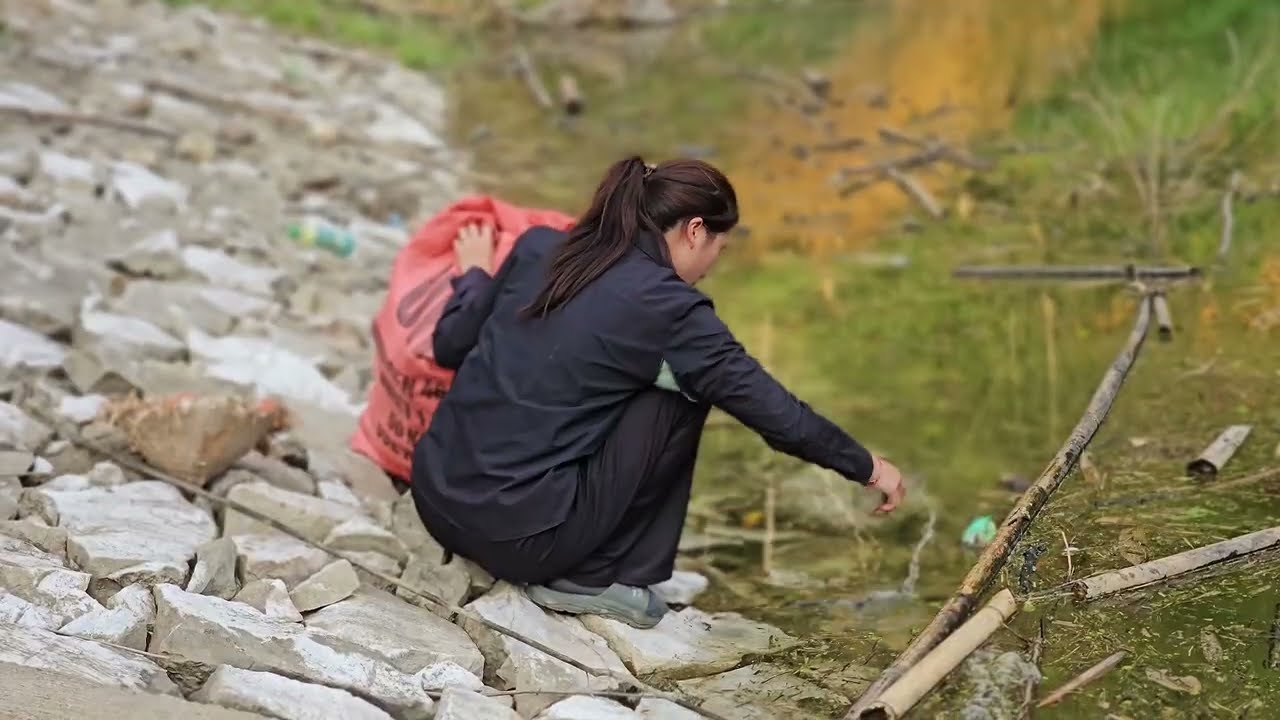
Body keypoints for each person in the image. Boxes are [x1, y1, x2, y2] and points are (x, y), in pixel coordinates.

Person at [410, 156, 906, 629]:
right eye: (719, 248)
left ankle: (577, 549)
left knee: (644, 374)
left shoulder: (542, 246)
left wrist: (474, 273)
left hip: (434, 498)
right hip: (519, 543)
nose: (712, 265)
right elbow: (774, 413)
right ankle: (588, 578)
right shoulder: (671, 308)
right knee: (683, 389)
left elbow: (451, 346)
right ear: (694, 230)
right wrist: (866, 466)